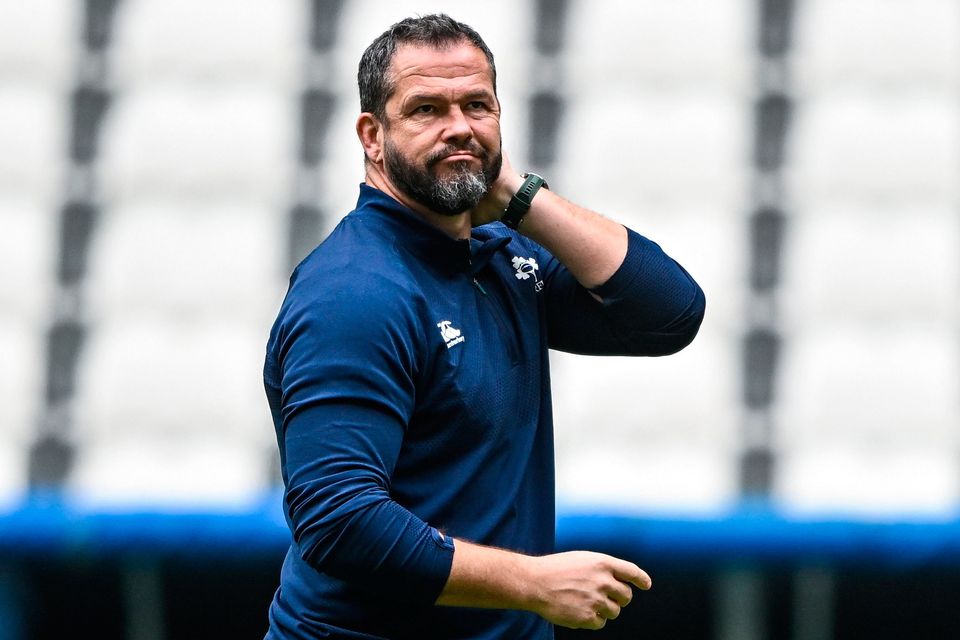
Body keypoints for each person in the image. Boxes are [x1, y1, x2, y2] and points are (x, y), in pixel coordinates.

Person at [262, 13, 705, 640]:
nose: (459, 127)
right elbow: (339, 520)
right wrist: (534, 583)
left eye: (477, 105)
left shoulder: (498, 253)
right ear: (372, 135)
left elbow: (669, 314)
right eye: (426, 110)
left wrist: (517, 194)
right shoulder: (354, 291)